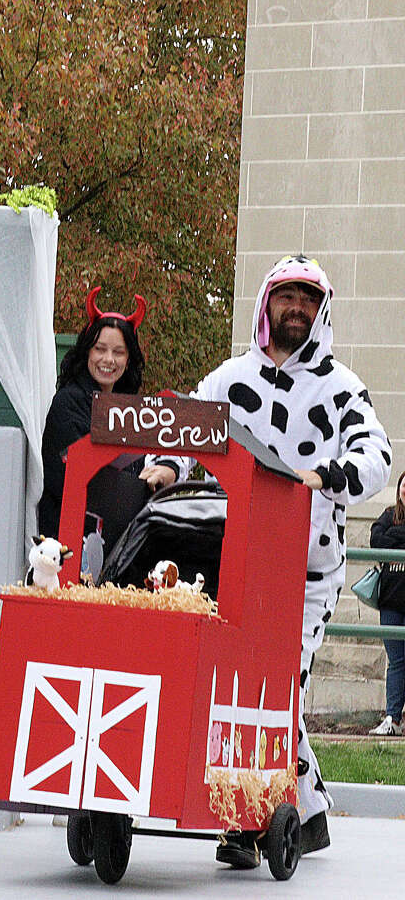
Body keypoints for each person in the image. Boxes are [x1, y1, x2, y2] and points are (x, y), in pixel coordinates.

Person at [143, 254, 391, 865]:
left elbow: (377, 458)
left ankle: (273, 817)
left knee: (276, 692)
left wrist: (324, 474)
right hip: (232, 563)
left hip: (306, 575)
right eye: (288, 296)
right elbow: (186, 434)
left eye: (310, 299)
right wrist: (168, 467)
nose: (298, 308)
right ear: (267, 303)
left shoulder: (341, 389)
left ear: (322, 311)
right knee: (232, 691)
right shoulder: (230, 379)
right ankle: (284, 816)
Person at [37, 288, 151, 577]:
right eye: (100, 349)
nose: (108, 360)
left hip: (113, 548)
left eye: (118, 352)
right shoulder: (68, 402)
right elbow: (63, 479)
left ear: (129, 359)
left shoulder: (132, 412)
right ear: (87, 350)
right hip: (65, 548)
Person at [368, 471, 405, 736]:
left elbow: (386, 538)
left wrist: (393, 536)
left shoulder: (391, 523)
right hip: (391, 601)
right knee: (396, 661)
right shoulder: (388, 514)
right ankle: (392, 718)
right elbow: (375, 539)